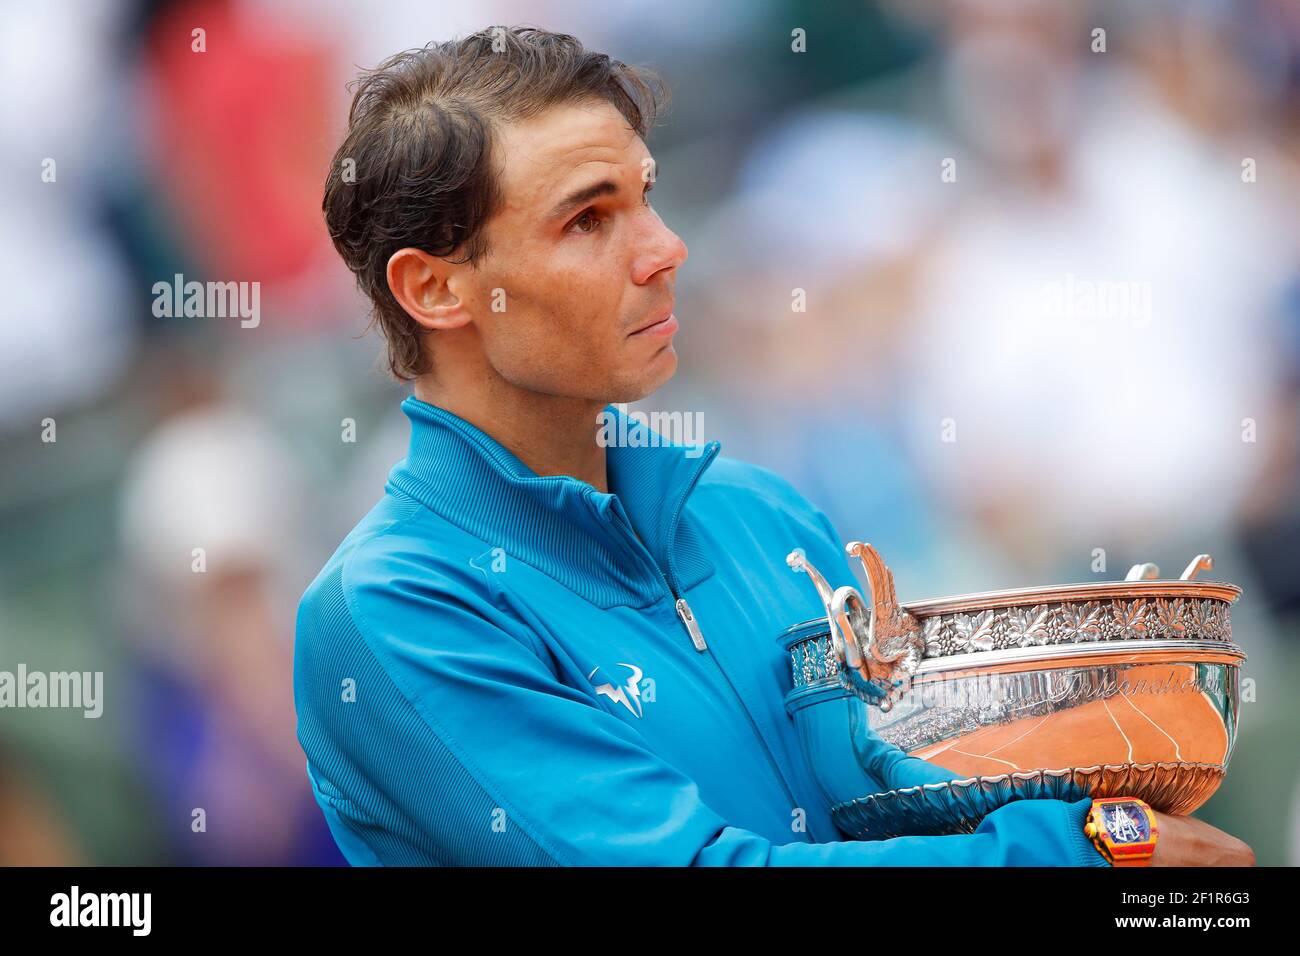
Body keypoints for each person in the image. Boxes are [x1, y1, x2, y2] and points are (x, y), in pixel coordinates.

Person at [293, 25, 1254, 867]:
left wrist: (1116, 790)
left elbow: (911, 812)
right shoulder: (388, 610)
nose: (665, 249)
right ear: (436, 290)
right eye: (589, 217)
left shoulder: (761, 514)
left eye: (647, 197)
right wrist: (1081, 856)